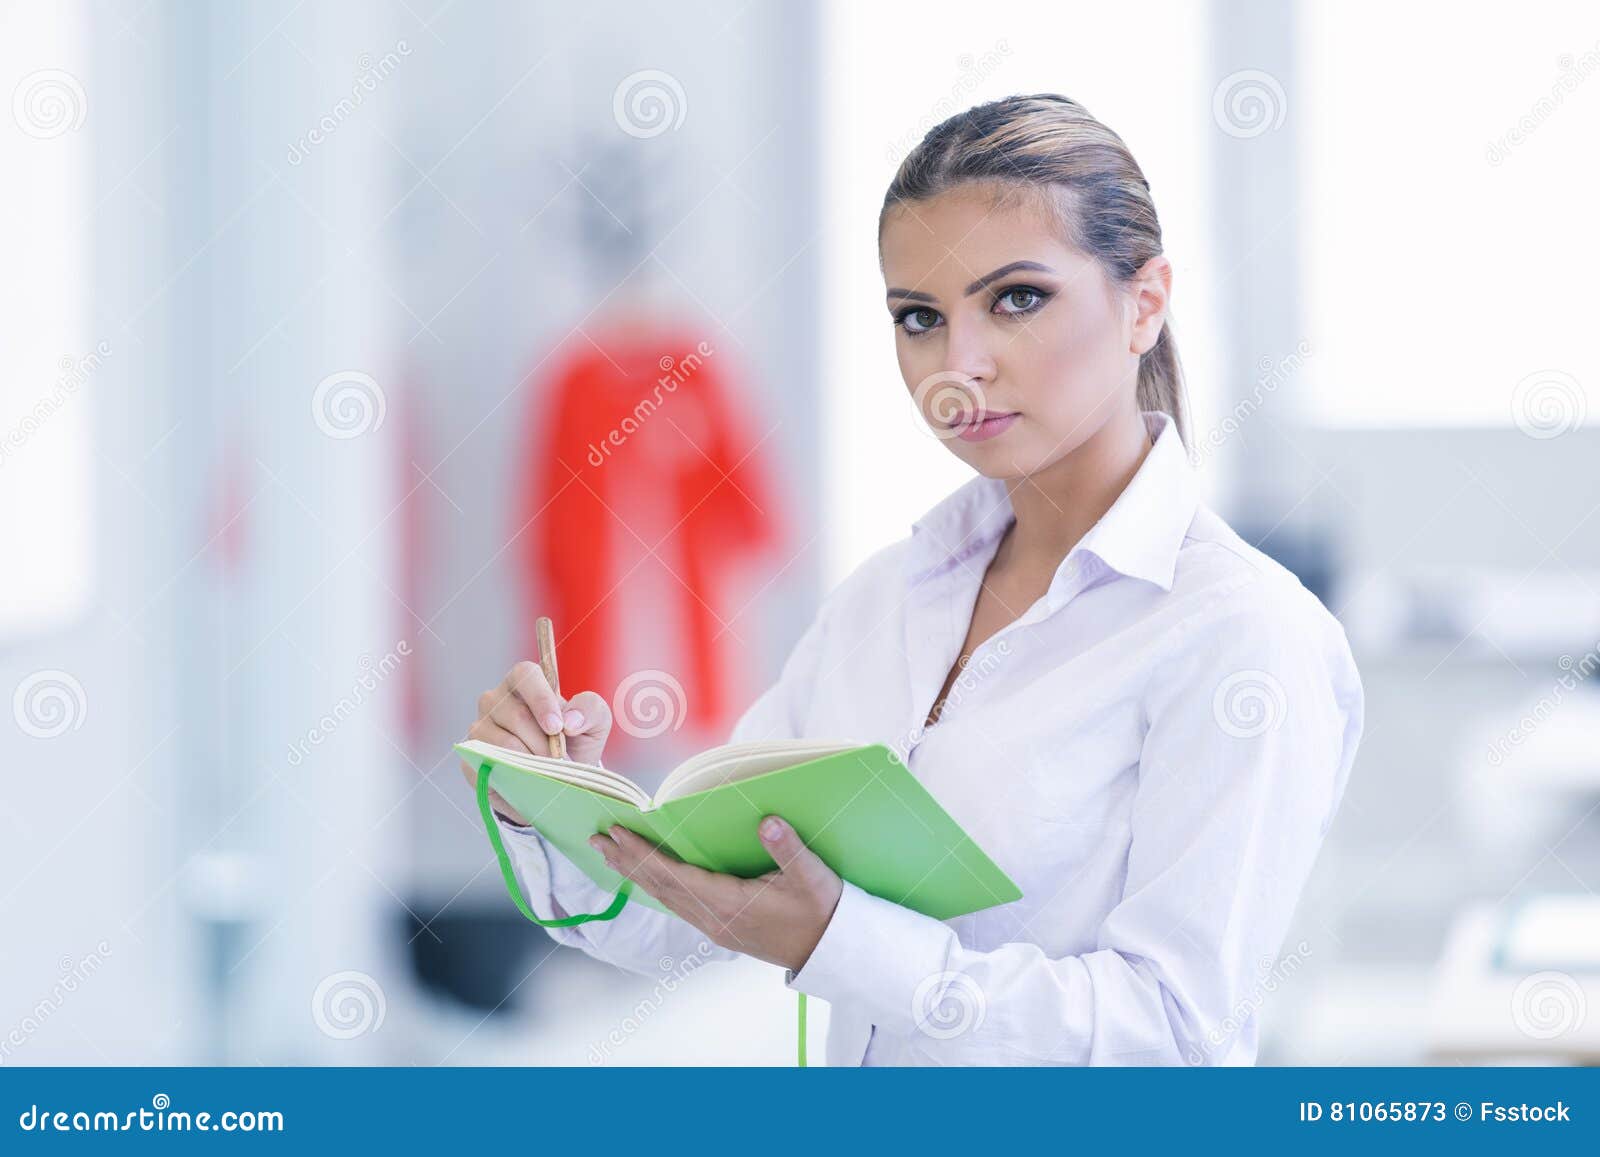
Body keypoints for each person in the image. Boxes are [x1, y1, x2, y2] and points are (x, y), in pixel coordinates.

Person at [459, 93, 1363, 1065]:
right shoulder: (883, 603)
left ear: (1143, 302)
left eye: (1015, 297)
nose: (956, 364)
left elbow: (1168, 1036)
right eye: (919, 317)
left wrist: (842, 941)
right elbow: (693, 906)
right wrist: (550, 796)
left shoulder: (1239, 632)